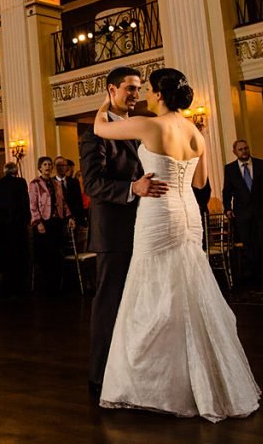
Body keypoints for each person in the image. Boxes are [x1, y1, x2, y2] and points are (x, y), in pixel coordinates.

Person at [93, 67, 260, 422]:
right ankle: (201, 376)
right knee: (188, 288)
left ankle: (156, 383)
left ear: (159, 94)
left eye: (149, 90)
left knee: (152, 290)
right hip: (188, 215)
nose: (146, 95)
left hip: (159, 211)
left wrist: (107, 100)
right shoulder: (196, 132)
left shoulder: (151, 125)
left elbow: (100, 128)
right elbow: (200, 182)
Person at [79, 65, 165, 397]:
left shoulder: (138, 127)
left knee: (139, 302)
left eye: (139, 88)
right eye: (130, 88)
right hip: (113, 231)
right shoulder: (94, 134)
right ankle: (100, 375)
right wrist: (132, 188)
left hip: (143, 227)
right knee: (110, 302)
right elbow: (92, 183)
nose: (136, 94)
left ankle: (131, 369)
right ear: (112, 90)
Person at [222, 139, 263, 286]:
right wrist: (227, 208)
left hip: (261, 211)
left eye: (246, 148)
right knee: (247, 244)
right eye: (240, 149)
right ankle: (251, 276)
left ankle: (262, 274)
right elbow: (227, 190)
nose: (244, 151)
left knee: (261, 243)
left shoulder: (261, 164)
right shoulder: (230, 168)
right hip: (242, 213)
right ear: (235, 152)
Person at [29, 156, 72, 295]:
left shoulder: (56, 183)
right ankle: (47, 287)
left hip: (56, 221)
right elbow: (33, 205)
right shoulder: (35, 183)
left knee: (57, 253)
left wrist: (69, 216)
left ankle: (57, 285)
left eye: (49, 164)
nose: (47, 167)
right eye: (44, 164)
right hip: (43, 222)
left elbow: (62, 202)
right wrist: (37, 222)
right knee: (45, 255)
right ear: (40, 168)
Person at [0, 162, 31, 297]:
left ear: (4, 171)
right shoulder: (20, 183)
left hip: (3, 227)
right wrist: (27, 220)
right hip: (18, 225)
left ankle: (6, 286)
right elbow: (25, 202)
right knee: (19, 256)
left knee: (6, 257)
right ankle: (20, 286)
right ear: (16, 171)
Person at [55, 156, 86, 227]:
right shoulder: (51, 182)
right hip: (58, 222)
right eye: (58, 165)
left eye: (63, 165)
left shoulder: (74, 182)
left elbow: (79, 202)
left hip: (75, 219)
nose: (61, 167)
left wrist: (81, 220)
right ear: (54, 167)